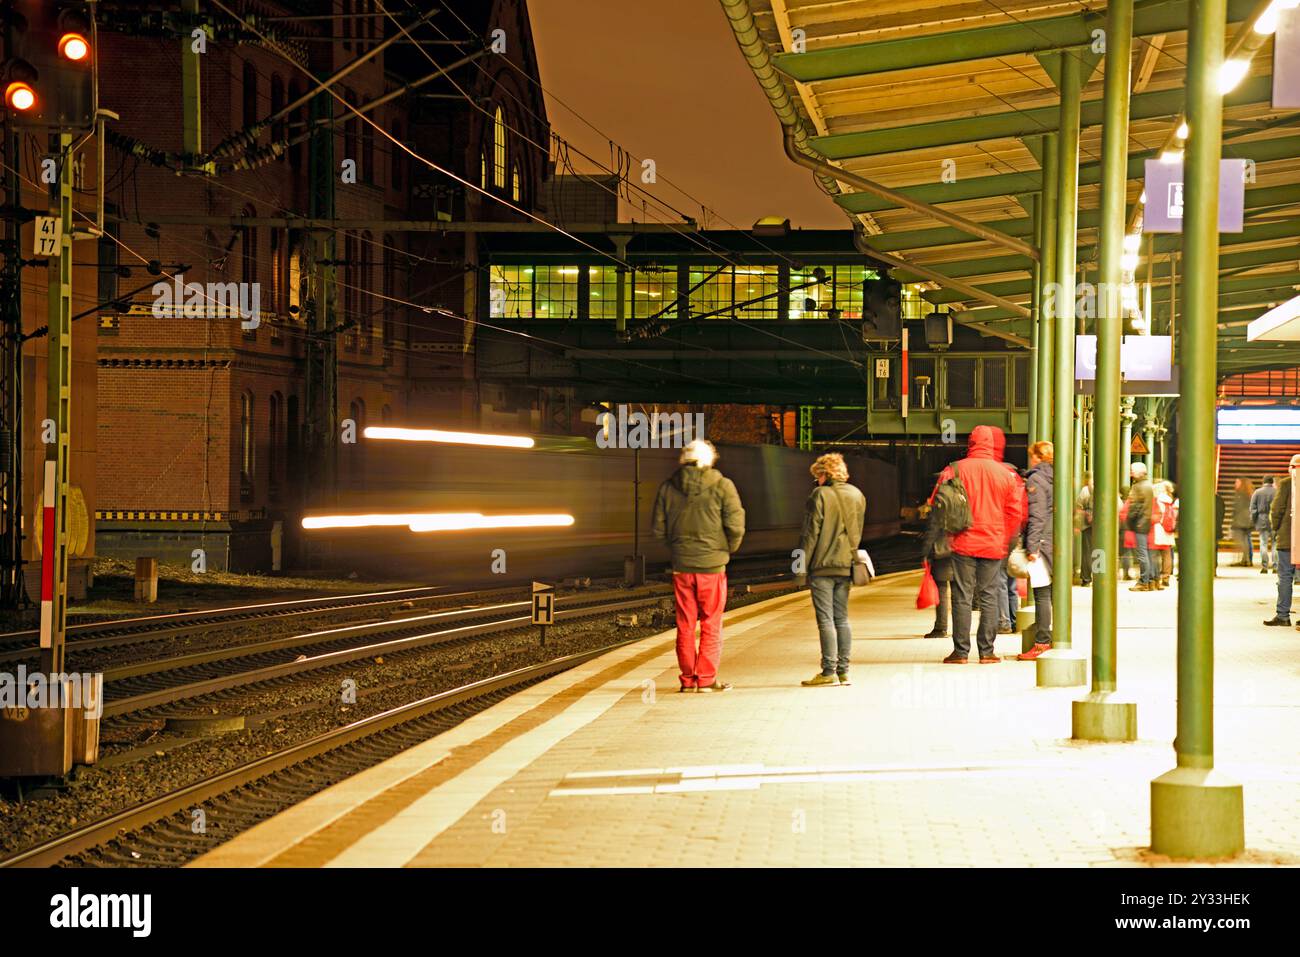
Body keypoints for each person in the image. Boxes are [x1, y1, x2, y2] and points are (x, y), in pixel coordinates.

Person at [652, 438, 745, 692]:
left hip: (682, 566)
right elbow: (736, 525)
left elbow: (658, 529)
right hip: (712, 567)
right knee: (711, 623)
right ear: (709, 460)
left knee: (684, 623)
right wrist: (726, 550)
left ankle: (687, 679)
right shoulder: (723, 486)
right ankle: (705, 680)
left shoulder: (668, 488)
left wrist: (677, 549)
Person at [931, 425, 1023, 665]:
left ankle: (961, 652)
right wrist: (1005, 538)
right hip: (993, 542)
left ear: (970, 443)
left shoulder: (953, 470)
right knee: (990, 595)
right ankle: (987, 651)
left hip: (963, 541)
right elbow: (1015, 512)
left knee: (962, 595)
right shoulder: (1005, 474)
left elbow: (936, 503)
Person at [798, 453, 867, 686]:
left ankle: (828, 672)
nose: (816, 481)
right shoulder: (857, 495)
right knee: (842, 618)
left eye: (817, 476)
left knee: (825, 620)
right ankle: (843, 671)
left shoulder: (819, 495)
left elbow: (810, 534)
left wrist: (800, 568)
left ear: (825, 474)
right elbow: (856, 532)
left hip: (822, 567)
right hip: (846, 565)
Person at [1017, 441, 1055, 660]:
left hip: (1042, 543)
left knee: (1041, 593)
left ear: (1037, 457)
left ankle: (1042, 642)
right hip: (1056, 541)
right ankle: (1055, 637)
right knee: (1053, 593)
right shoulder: (1059, 476)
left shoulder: (1036, 479)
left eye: (1032, 456)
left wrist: (1032, 546)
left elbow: (1037, 515)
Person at [1264, 454, 1300, 628]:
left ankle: (1283, 615)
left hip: (1289, 539)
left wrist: (1277, 529)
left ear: (1292, 467)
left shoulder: (1286, 483)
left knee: (1285, 576)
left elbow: (1277, 509)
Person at [921, 492, 954, 640]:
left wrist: (925, 552)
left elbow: (933, 528)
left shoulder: (941, 500)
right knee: (960, 593)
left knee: (941, 590)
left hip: (942, 552)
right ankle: (960, 630)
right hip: (961, 550)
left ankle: (941, 627)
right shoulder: (966, 497)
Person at [1126, 462, 1156, 590]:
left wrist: (1129, 520)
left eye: (1132, 470)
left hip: (1140, 523)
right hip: (1146, 521)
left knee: (1142, 553)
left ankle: (1143, 581)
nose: (1130, 473)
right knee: (1148, 552)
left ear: (1139, 472)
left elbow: (1135, 506)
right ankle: (1151, 580)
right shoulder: (1148, 485)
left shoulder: (1138, 486)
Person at [1150, 480, 1174, 590]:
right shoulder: (1169, 501)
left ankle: (1156, 577)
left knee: (1154, 555)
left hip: (1158, 528)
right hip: (1168, 530)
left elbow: (1153, 515)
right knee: (1167, 554)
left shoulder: (1157, 500)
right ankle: (1166, 578)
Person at [1251, 476, 1278, 573]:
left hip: (1261, 520)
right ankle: (1275, 566)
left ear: (1263, 482)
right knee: (1275, 544)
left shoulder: (1257, 492)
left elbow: (1253, 509)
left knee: (1263, 543)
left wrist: (1254, 520)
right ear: (1272, 482)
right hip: (1274, 520)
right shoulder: (1276, 492)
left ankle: (1265, 566)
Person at [1231, 477, 1255, 566]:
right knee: (1246, 540)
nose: (1235, 484)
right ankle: (1248, 559)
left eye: (1237, 483)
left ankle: (1245, 560)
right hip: (1247, 520)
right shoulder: (1249, 494)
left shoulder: (1241, 494)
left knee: (1242, 541)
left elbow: (1238, 509)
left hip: (1241, 521)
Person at [1075, 473, 1094, 585]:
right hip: (1103, 526)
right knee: (1099, 550)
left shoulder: (1085, 490)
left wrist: (1077, 524)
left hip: (1088, 526)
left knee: (1087, 552)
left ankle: (1086, 578)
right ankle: (1099, 575)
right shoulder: (1109, 488)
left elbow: (1078, 507)